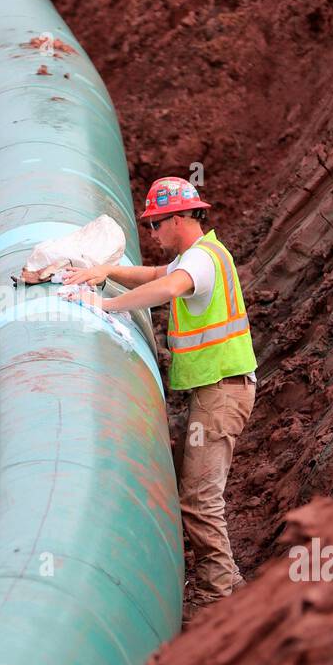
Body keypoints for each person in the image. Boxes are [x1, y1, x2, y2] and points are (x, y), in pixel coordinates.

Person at [61, 176, 257, 608]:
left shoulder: (201, 261)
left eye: (155, 224)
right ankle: (233, 590)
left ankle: (216, 601)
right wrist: (108, 271)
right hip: (215, 391)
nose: (152, 234)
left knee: (200, 500)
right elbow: (153, 275)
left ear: (180, 218)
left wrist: (104, 305)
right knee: (198, 496)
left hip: (222, 392)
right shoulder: (201, 255)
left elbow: (167, 287)